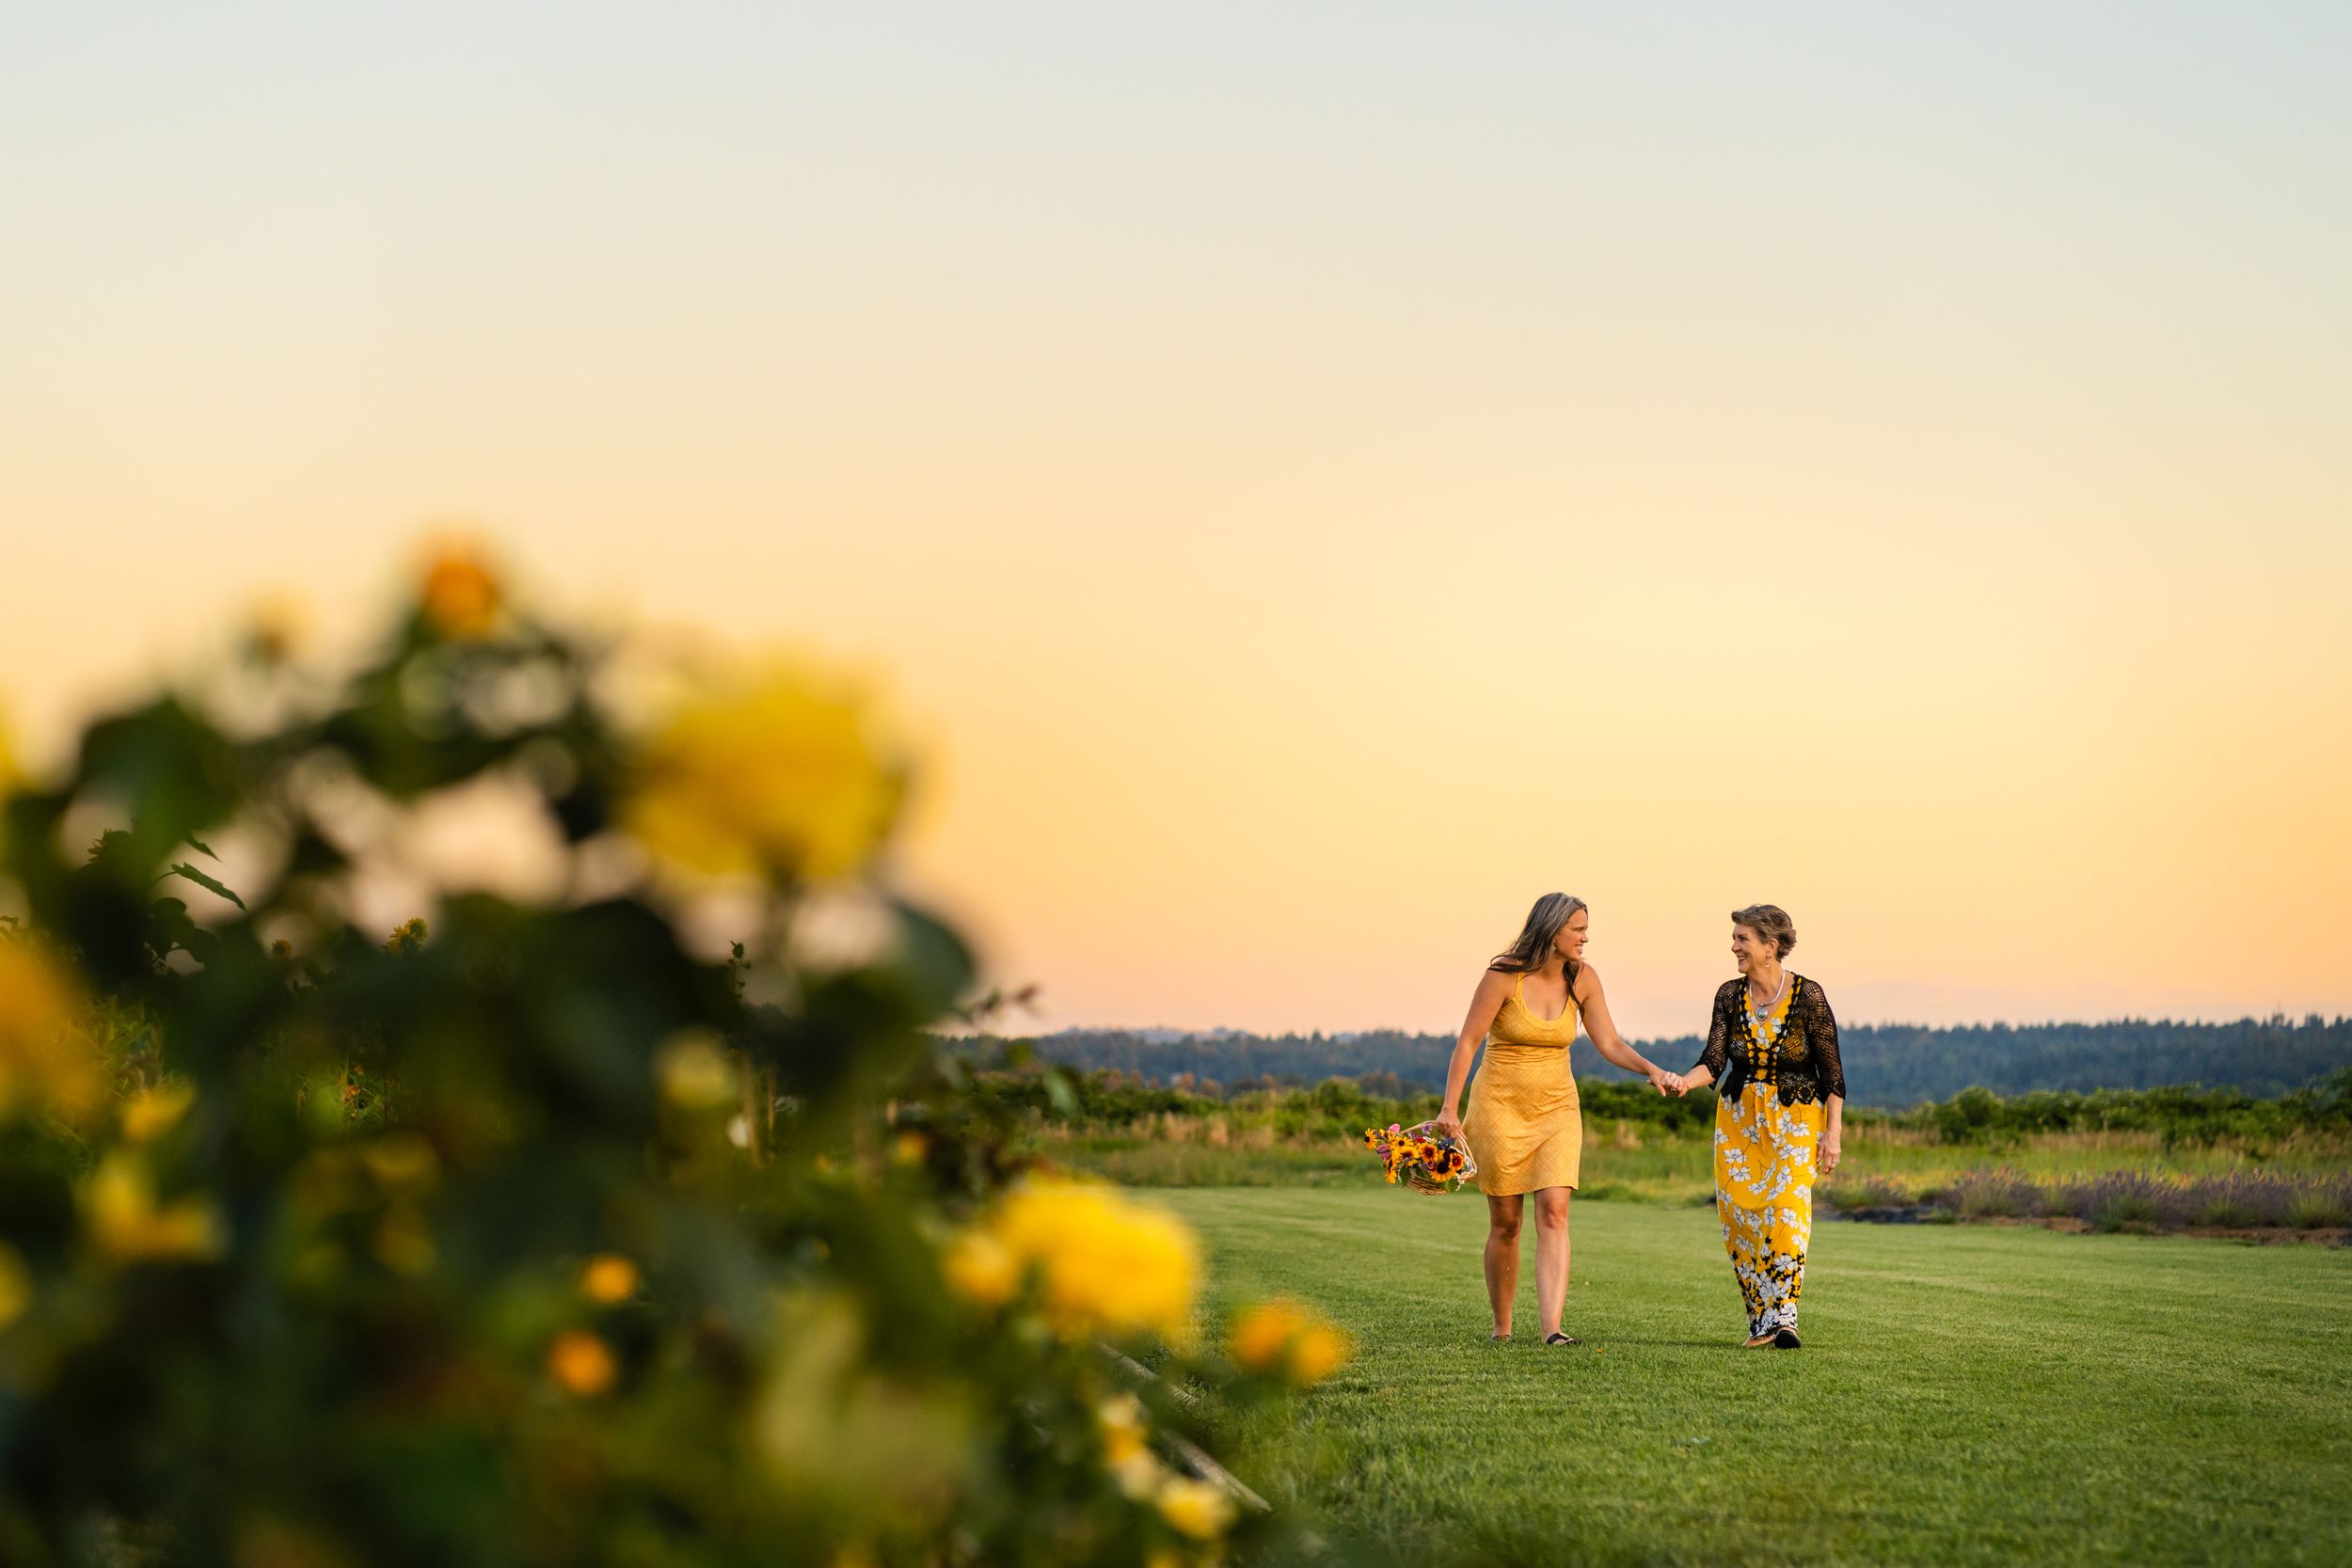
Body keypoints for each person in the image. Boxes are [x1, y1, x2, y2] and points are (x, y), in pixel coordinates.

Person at [1435, 894, 1679, 1345]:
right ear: (1551, 930)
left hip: (1558, 1108)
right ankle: (1502, 1327)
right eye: (1578, 929)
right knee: (1507, 1221)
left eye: (1586, 928)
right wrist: (1449, 1109)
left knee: (1555, 1210)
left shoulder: (1583, 979)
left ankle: (1553, 1329)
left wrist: (1651, 1069)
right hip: (1499, 1105)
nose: (1586, 937)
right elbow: (1468, 1042)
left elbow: (1608, 1042)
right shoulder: (1504, 975)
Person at [1672, 904, 1846, 1348]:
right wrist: (1684, 1082)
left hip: (1795, 1117)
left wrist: (1833, 1135)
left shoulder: (1809, 996)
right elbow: (1713, 1061)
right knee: (1742, 1219)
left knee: (1787, 1210)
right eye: (1734, 938)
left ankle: (1786, 1318)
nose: (1734, 946)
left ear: (1771, 947)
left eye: (1742, 938)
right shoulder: (1729, 995)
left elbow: (1833, 1076)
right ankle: (1761, 1321)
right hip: (1738, 1121)